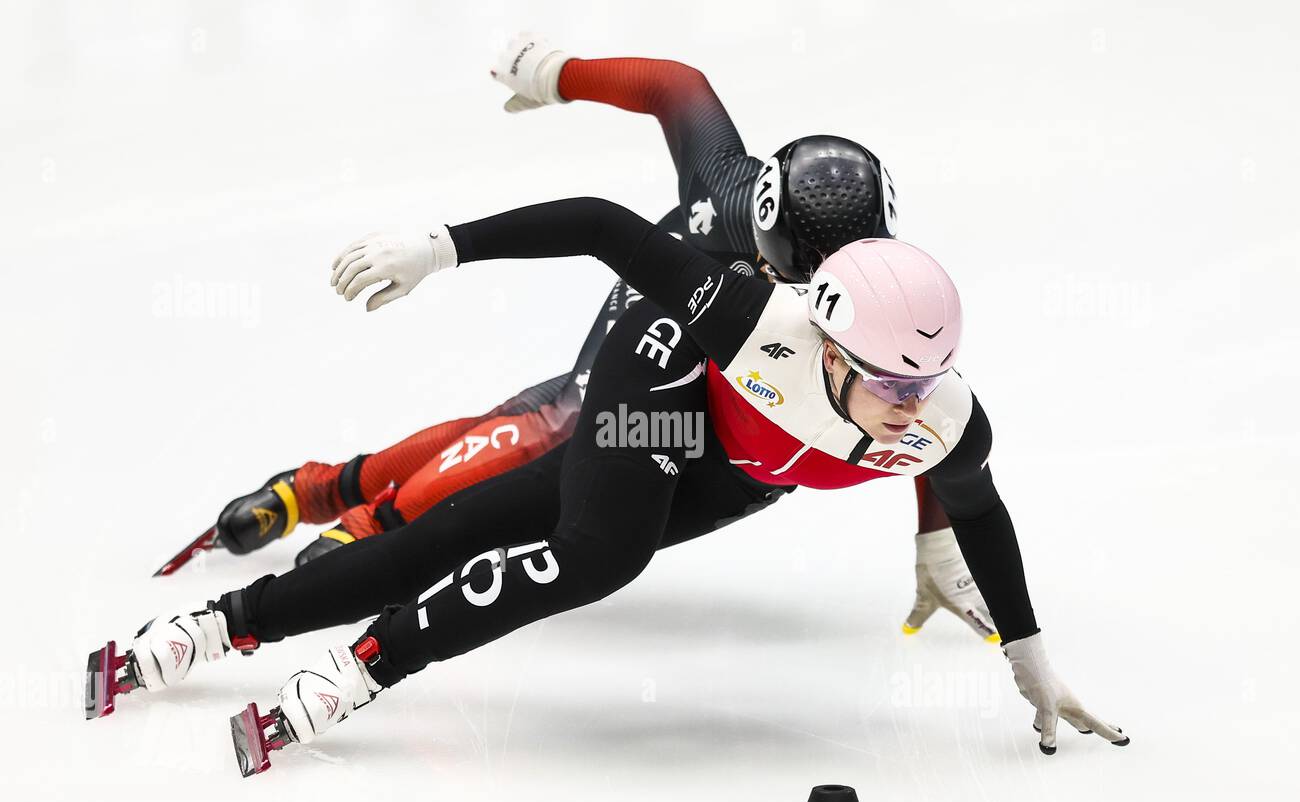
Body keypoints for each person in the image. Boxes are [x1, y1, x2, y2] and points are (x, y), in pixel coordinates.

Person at [90, 197, 1127, 773]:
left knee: (488, 519)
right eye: (890, 379)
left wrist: (1028, 657)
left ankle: (224, 622)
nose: (910, 403)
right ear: (828, 344)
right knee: (598, 550)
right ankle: (366, 663)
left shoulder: (946, 416)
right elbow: (601, 223)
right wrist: (443, 246)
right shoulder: (746, 321)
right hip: (661, 387)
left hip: (735, 467)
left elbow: (983, 512)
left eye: (926, 378)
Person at [175, 35, 991, 641]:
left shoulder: (876, 297)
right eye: (792, 279)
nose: (808, 301)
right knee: (566, 417)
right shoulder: (729, 196)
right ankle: (347, 502)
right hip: (679, 304)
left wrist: (937, 534)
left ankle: (349, 502)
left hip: (753, 380)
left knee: (607, 444)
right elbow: (679, 90)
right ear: (761, 237)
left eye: (828, 293)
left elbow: (910, 388)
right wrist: (554, 76)